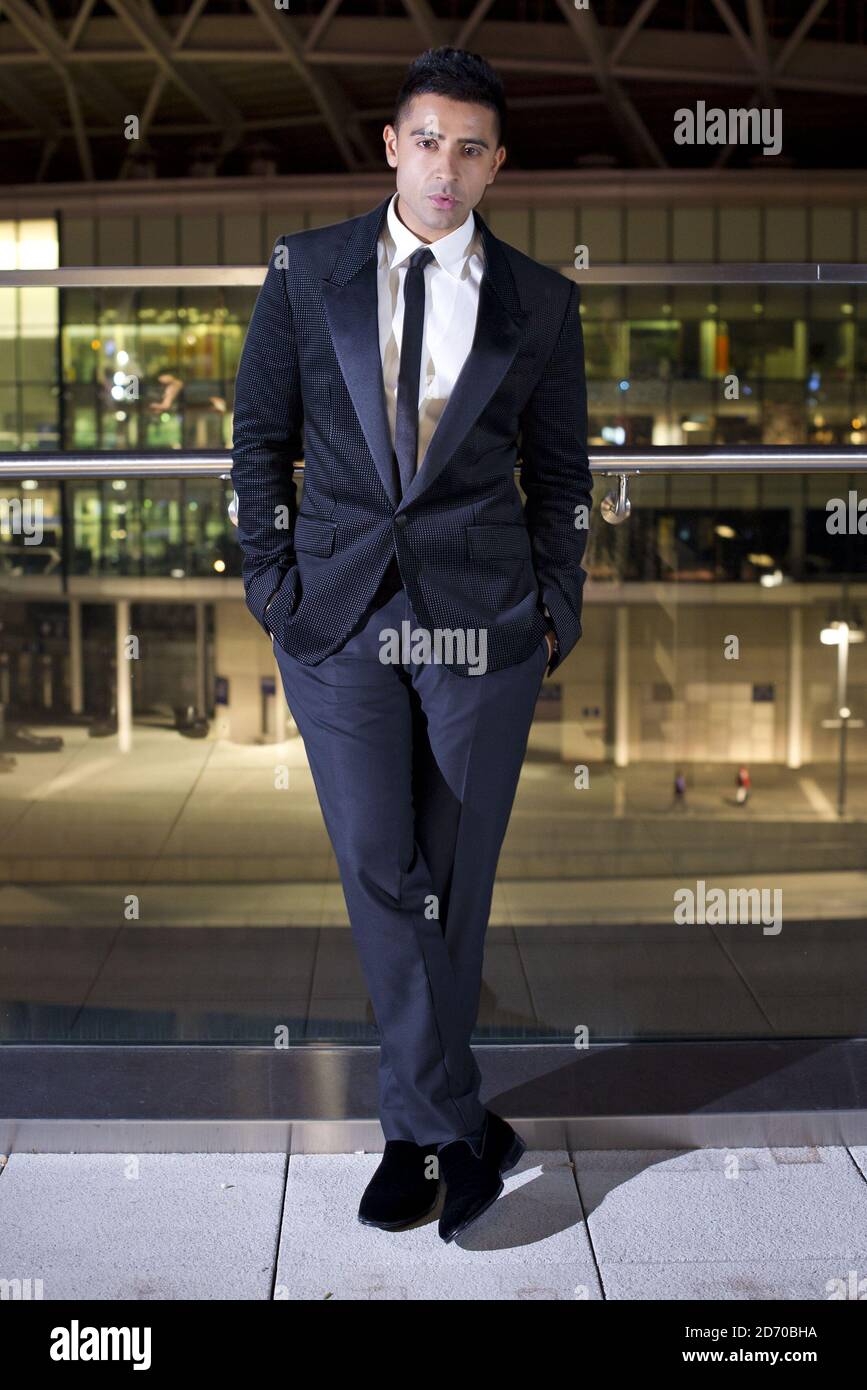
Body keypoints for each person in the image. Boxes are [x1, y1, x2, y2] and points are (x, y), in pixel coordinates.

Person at [231, 47, 592, 1244]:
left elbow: (563, 478)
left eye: (472, 147)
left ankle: (418, 1129)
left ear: (498, 165)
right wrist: (271, 583)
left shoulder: (543, 301)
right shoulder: (306, 270)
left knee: (456, 880)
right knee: (382, 868)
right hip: (335, 619)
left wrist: (557, 606)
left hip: (482, 626)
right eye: (427, 140)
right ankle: (450, 1129)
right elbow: (257, 441)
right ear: (393, 146)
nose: (447, 167)